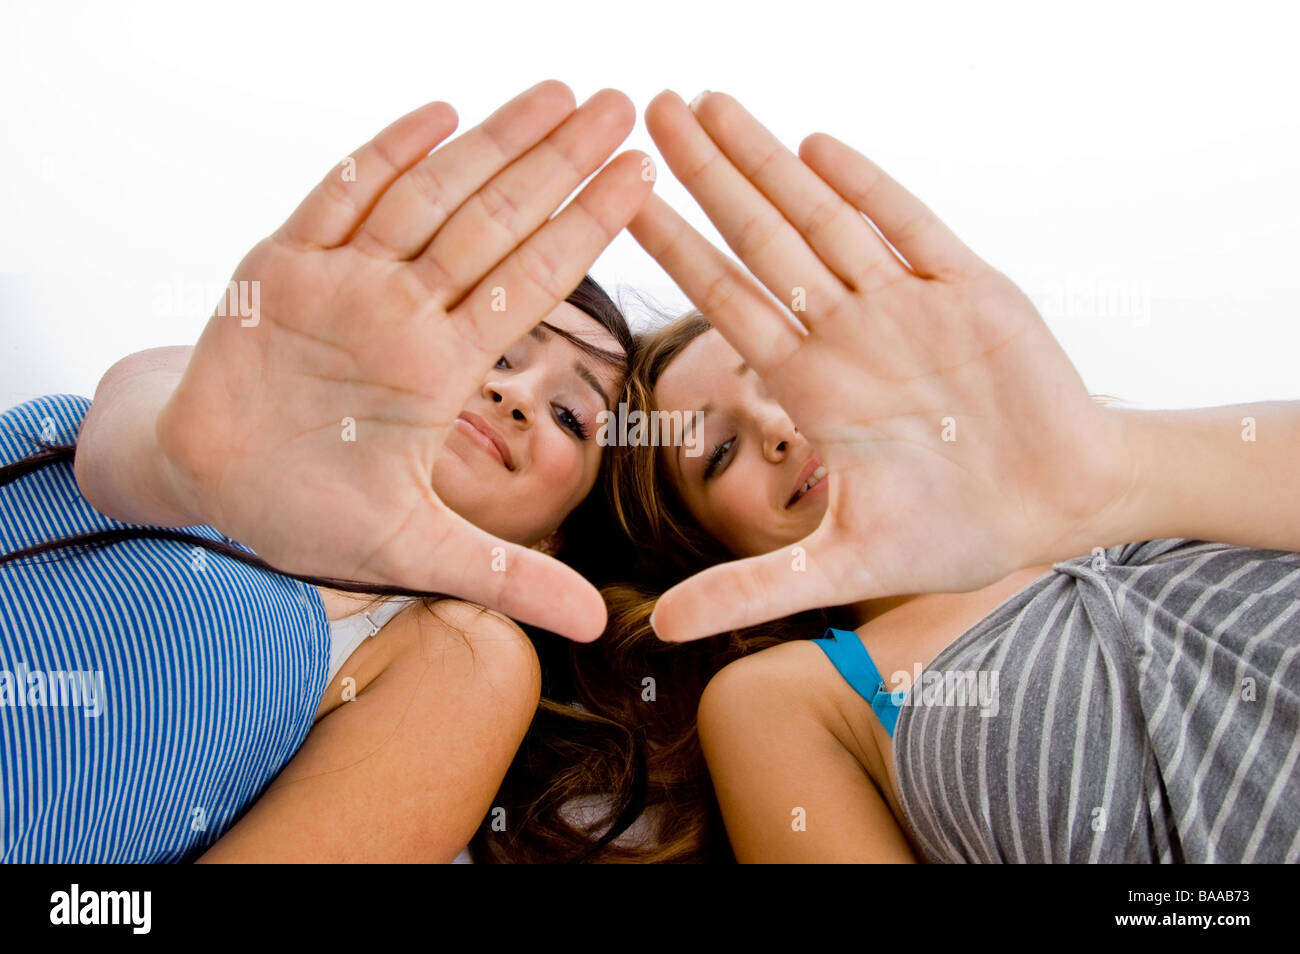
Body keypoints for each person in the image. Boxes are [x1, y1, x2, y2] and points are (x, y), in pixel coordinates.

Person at [591, 90, 1300, 862]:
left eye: (782, 380)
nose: (778, 430)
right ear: (703, 542)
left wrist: (1114, 475)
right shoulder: (792, 698)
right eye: (717, 454)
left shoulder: (1155, 483)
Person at [0, 80, 655, 862]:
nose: (513, 393)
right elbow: (123, 439)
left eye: (569, 417)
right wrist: (176, 470)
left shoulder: (458, 654)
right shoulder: (201, 400)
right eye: (497, 348)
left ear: (553, 538)